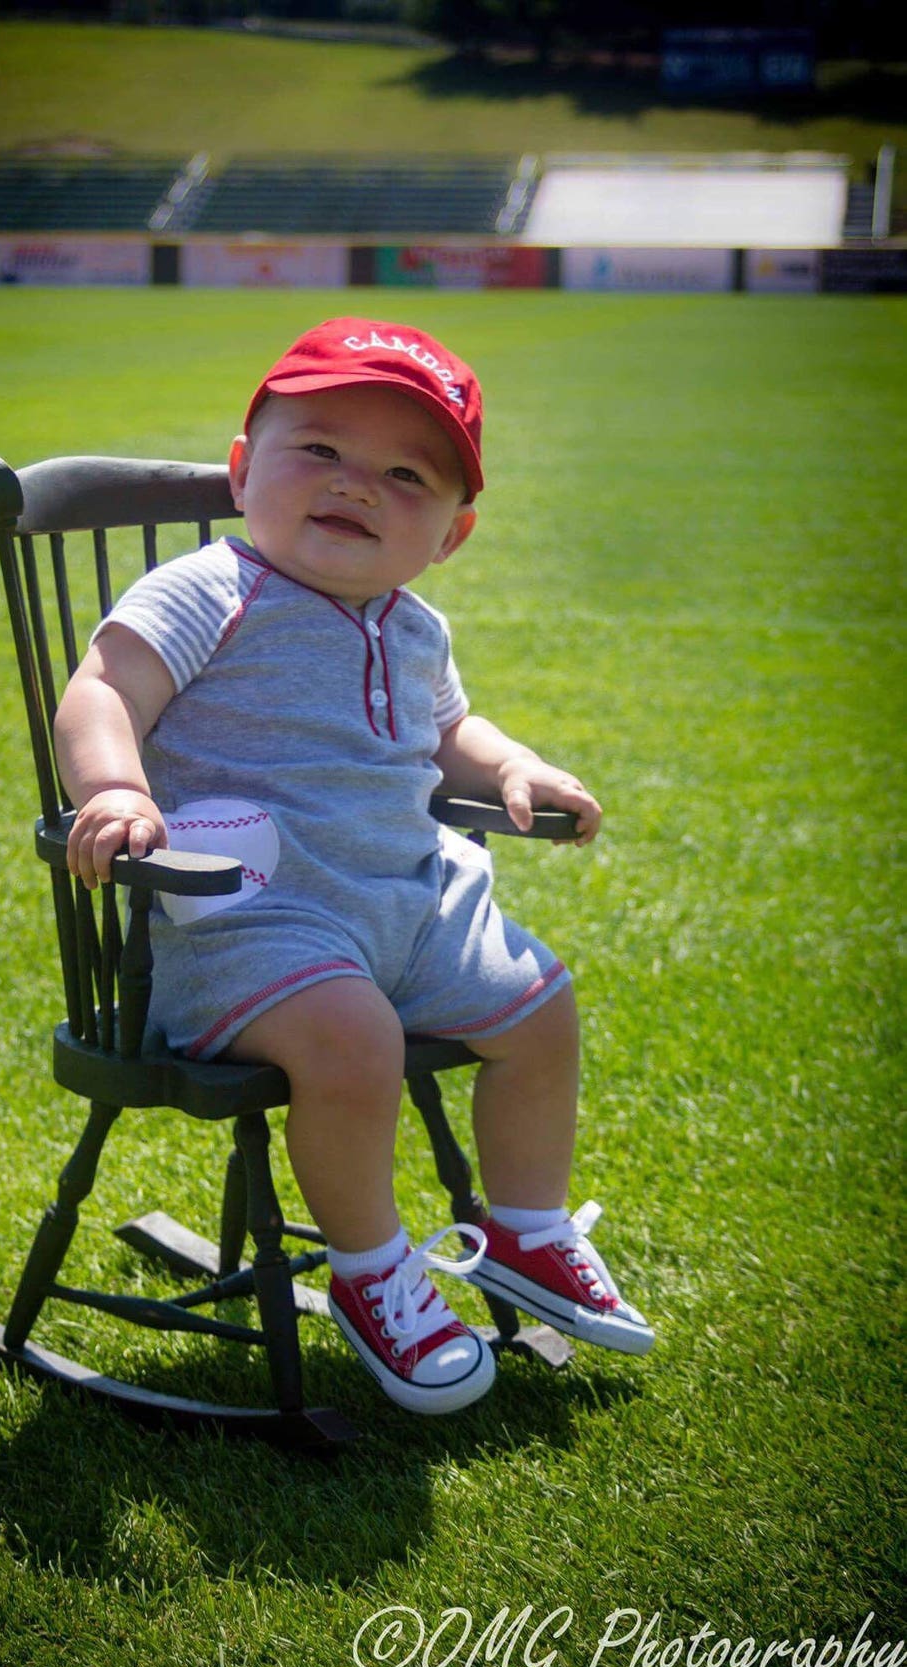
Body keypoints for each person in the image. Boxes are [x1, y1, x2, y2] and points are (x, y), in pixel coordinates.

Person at [54, 317, 653, 1416]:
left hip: (406, 907)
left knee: (542, 1006)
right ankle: (374, 1270)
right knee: (355, 1039)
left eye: (403, 474)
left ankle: (525, 1230)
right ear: (244, 473)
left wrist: (514, 765)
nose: (356, 486)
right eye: (319, 451)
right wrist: (118, 791)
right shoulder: (210, 590)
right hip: (252, 921)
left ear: (451, 535)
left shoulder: (413, 624)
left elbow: (446, 736)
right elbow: (103, 687)